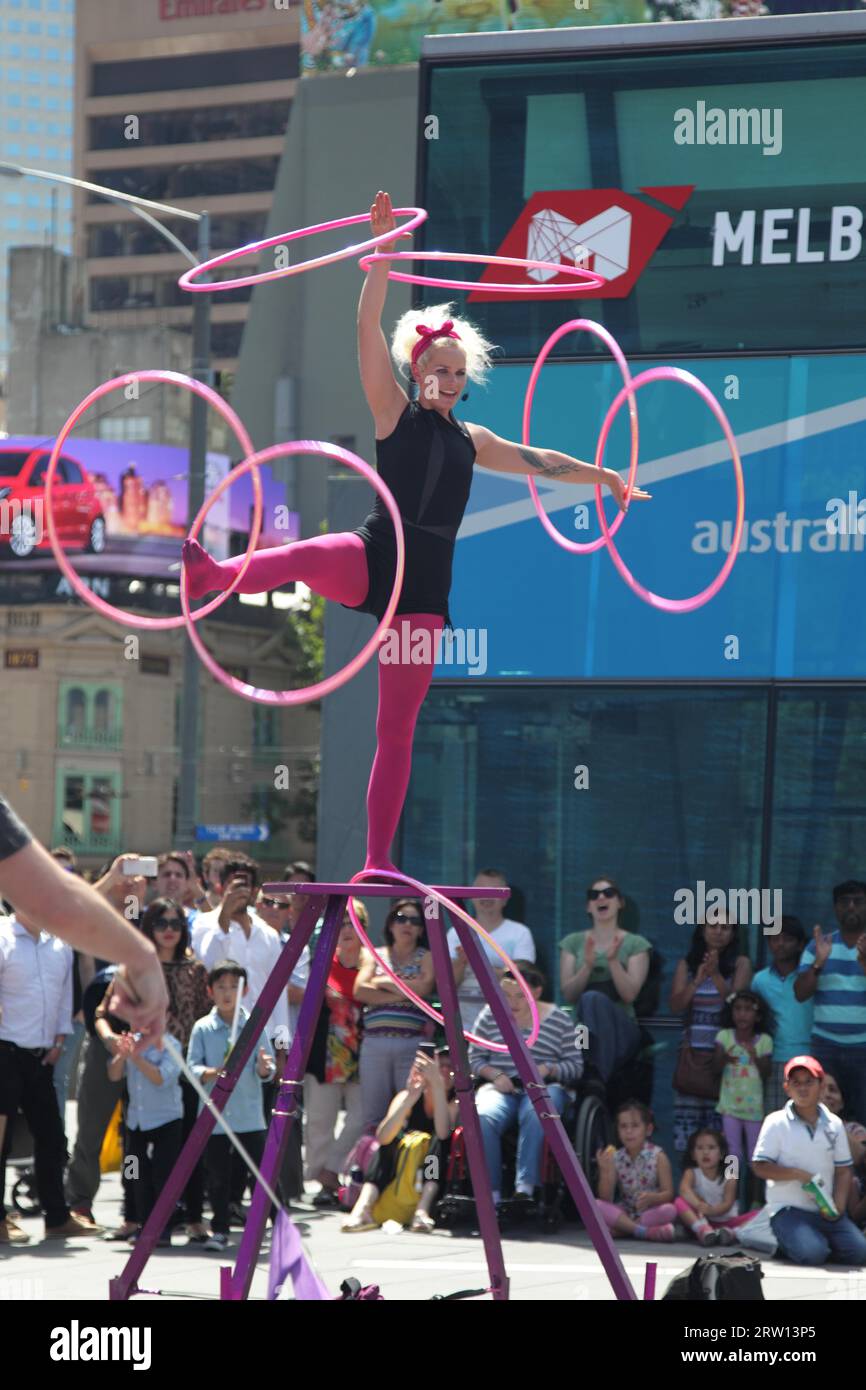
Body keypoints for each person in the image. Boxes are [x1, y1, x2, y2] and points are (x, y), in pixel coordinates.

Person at [180, 189, 650, 876]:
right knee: (307, 554)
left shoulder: (474, 438)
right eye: (441, 369)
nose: (452, 380)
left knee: (395, 729)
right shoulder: (392, 411)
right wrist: (383, 256)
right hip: (377, 553)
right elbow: (367, 329)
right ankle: (216, 576)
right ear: (419, 370)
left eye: (461, 373)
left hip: (424, 585)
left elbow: (541, 461)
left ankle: (375, 860)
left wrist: (605, 475)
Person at [0, 797, 167, 1045]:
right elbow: (65, 906)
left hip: (125, 999)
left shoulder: (131, 907)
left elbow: (132, 925)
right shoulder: (98, 900)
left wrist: (134, 897)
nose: (127, 881)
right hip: (99, 1002)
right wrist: (142, 957)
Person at [0, 902, 99, 1243]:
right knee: (2, 1140)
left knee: (53, 1137)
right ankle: (0, 1219)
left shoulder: (61, 944)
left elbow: (63, 999)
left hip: (43, 1055)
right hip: (4, 1051)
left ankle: (56, 1216)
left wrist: (59, 1039)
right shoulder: (2, 936)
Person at [469, 964, 582, 1206]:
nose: (512, 1002)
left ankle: (525, 1186)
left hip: (544, 1087)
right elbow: (475, 1058)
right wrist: (495, 1075)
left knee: (536, 1110)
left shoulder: (559, 1020)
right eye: (506, 995)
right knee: (482, 1117)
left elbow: (575, 1066)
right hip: (502, 1087)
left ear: (537, 993)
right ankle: (492, 1194)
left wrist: (549, 1069)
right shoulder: (489, 1016)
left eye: (520, 995)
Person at [187, 961, 276, 1252]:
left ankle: (277, 1226)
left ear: (245, 990)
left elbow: (268, 1070)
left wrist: (264, 1068)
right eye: (221, 987)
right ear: (210, 991)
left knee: (262, 1173)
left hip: (250, 1115)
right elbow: (191, 1069)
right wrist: (215, 1072)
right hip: (214, 1116)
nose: (227, 993)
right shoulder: (202, 1027)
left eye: (234, 987)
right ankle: (221, 1229)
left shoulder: (253, 1024)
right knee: (218, 1178)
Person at [139, 897, 211, 1241]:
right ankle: (135, 1213)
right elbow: (108, 1011)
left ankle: (194, 1214)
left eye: (175, 924)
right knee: (136, 1155)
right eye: (161, 923)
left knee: (189, 1149)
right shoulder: (136, 966)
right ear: (148, 927)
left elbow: (205, 1015)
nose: (169, 931)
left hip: (184, 1073)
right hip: (141, 1073)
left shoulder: (195, 969)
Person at [751, 1055, 866, 1266]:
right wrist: (797, 1174)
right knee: (813, 1254)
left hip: (826, 1210)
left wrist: (839, 1206)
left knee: (860, 1253)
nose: (802, 1088)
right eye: (796, 1083)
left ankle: (814, 1244)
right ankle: (795, 1243)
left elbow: (844, 1170)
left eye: (809, 1082)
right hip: (788, 1210)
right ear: (787, 1088)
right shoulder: (775, 1122)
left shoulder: (835, 1124)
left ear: (820, 1086)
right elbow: (759, 1166)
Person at [342, 1048, 457, 1233]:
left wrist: (437, 1086)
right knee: (387, 1145)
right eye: (439, 1066)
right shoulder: (407, 1095)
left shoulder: (455, 1102)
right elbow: (383, 1136)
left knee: (437, 1144)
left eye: (449, 1067)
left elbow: (443, 1132)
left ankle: (422, 1210)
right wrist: (410, 1097)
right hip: (401, 1163)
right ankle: (362, 1208)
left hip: (432, 1164)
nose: (443, 1070)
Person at [669, 916, 752, 1159]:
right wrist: (697, 979)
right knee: (689, 1140)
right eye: (713, 926)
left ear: (733, 934)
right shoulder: (688, 963)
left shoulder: (740, 963)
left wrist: (715, 975)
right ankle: (688, 1192)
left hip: (725, 1059)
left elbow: (738, 1007)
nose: (718, 931)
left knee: (724, 1140)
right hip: (693, 1058)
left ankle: (727, 1193)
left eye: (725, 927)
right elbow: (676, 1005)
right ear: (702, 931)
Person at [560, 876, 651, 1085]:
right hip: (581, 1030)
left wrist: (613, 961)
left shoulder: (636, 944)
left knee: (593, 998)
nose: (601, 898)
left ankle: (596, 1078)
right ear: (588, 907)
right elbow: (569, 994)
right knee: (588, 1004)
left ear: (620, 903)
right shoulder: (573, 942)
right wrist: (588, 966)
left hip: (623, 1030)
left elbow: (630, 994)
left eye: (609, 893)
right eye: (594, 895)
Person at [304, 902, 366, 1206]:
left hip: (365, 1053)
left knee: (361, 1117)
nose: (345, 930)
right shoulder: (321, 962)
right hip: (325, 1055)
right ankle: (321, 1182)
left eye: (351, 923)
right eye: (340, 924)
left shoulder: (373, 962)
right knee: (319, 1119)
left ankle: (333, 1169)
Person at [191, 855, 289, 1049]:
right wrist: (224, 916)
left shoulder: (269, 934)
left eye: (245, 885)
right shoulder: (204, 923)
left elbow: (279, 992)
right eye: (233, 884)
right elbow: (210, 964)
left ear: (254, 891)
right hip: (219, 1035)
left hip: (263, 1037)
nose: (238, 890)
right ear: (221, 887)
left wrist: (282, 1046)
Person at [355, 898, 434, 1129]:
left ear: (421, 929)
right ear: (390, 925)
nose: (406, 924)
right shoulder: (373, 954)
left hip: (412, 1044)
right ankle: (372, 1164)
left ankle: (405, 1164)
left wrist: (381, 981)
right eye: (401, 918)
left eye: (414, 920)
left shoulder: (426, 956)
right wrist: (406, 992)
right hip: (374, 1043)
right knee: (372, 1116)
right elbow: (360, 990)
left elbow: (424, 987)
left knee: (408, 1112)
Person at [794, 880, 866, 1127]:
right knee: (821, 1117)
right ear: (836, 908)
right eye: (845, 902)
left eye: (858, 901)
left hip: (863, 1046)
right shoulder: (819, 945)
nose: (851, 907)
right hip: (826, 1046)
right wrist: (818, 964)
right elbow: (800, 993)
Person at [65, 963, 128, 1230]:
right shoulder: (109, 975)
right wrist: (110, 1038)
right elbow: (98, 1014)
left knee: (135, 1141)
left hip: (146, 1050)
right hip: (103, 1050)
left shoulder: (163, 967)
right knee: (90, 1131)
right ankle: (80, 1201)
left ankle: (134, 1201)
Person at [108, 1028, 184, 1248]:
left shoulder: (171, 1045)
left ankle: (163, 1228)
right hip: (135, 1123)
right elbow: (113, 1075)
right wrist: (122, 1055)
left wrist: (135, 1057)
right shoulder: (132, 1044)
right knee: (133, 1174)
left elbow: (160, 1078)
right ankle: (140, 1222)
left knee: (163, 1175)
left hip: (166, 1121)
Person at [446, 868, 535, 1031]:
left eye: (493, 891)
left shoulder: (520, 933)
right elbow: (446, 984)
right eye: (481, 890)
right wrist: (462, 961)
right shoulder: (456, 932)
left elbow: (524, 980)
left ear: (505, 900)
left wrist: (476, 962)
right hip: (462, 1026)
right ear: (471, 897)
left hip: (506, 1026)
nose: (486, 896)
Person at [751, 915, 813, 1111]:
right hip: (773, 1059)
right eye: (774, 938)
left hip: (810, 1056)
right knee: (776, 1120)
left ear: (800, 944)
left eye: (787, 939)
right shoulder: (759, 980)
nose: (780, 944)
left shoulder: (811, 977)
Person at [595, 1100, 677, 1241]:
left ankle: (625, 1230)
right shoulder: (616, 1157)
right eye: (623, 1126)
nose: (629, 1131)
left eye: (635, 1126)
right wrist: (604, 1171)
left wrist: (653, 1198)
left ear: (648, 1129)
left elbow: (669, 1194)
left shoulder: (658, 1156)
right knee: (596, 1205)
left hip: (650, 1212)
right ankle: (642, 1231)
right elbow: (606, 1198)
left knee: (670, 1210)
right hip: (625, 1212)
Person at [713, 988, 773, 1176]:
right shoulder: (724, 1037)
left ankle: (755, 1198)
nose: (742, 1014)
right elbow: (714, 1068)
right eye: (737, 1009)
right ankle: (733, 1194)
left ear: (757, 1015)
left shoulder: (764, 1041)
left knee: (755, 1155)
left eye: (748, 1009)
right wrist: (724, 1058)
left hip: (754, 1109)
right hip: (729, 1107)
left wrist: (755, 1056)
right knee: (733, 1153)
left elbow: (766, 1073)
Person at [674, 1127, 758, 1245]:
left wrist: (712, 1211)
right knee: (679, 1201)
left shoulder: (730, 1172)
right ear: (693, 1155)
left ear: (721, 1153)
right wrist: (699, 1205)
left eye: (711, 1148)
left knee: (760, 1214)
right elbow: (684, 1190)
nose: (706, 1152)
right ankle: (702, 1230)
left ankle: (733, 1233)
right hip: (702, 1220)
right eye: (700, 1148)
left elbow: (728, 1203)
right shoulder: (692, 1172)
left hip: (728, 1222)